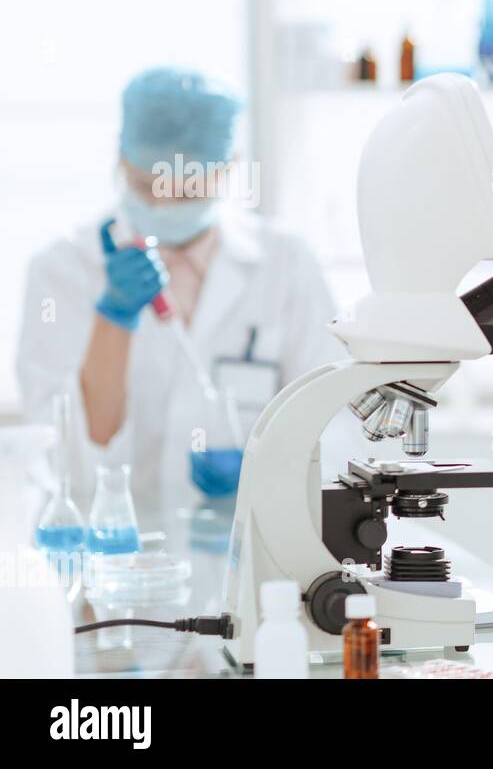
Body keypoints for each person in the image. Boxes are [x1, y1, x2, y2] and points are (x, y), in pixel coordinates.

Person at [17, 67, 344, 519]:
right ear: (120, 162)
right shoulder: (63, 269)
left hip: (252, 538)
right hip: (113, 547)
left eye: (187, 188)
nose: (164, 204)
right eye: (147, 186)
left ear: (230, 166)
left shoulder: (287, 263)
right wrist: (112, 321)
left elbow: (330, 413)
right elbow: (67, 456)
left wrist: (266, 470)